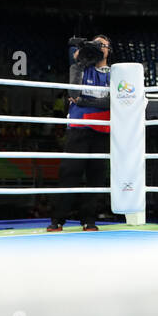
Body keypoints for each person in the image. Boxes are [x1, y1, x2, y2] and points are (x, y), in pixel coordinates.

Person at [48, 34, 111, 231]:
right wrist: (82, 57)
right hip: (78, 128)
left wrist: (84, 102)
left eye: (104, 45)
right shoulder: (80, 68)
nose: (100, 48)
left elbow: (111, 102)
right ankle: (57, 220)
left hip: (103, 130)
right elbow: (73, 94)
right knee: (69, 174)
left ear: (109, 50)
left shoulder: (115, 73)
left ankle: (89, 220)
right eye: (96, 44)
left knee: (96, 177)